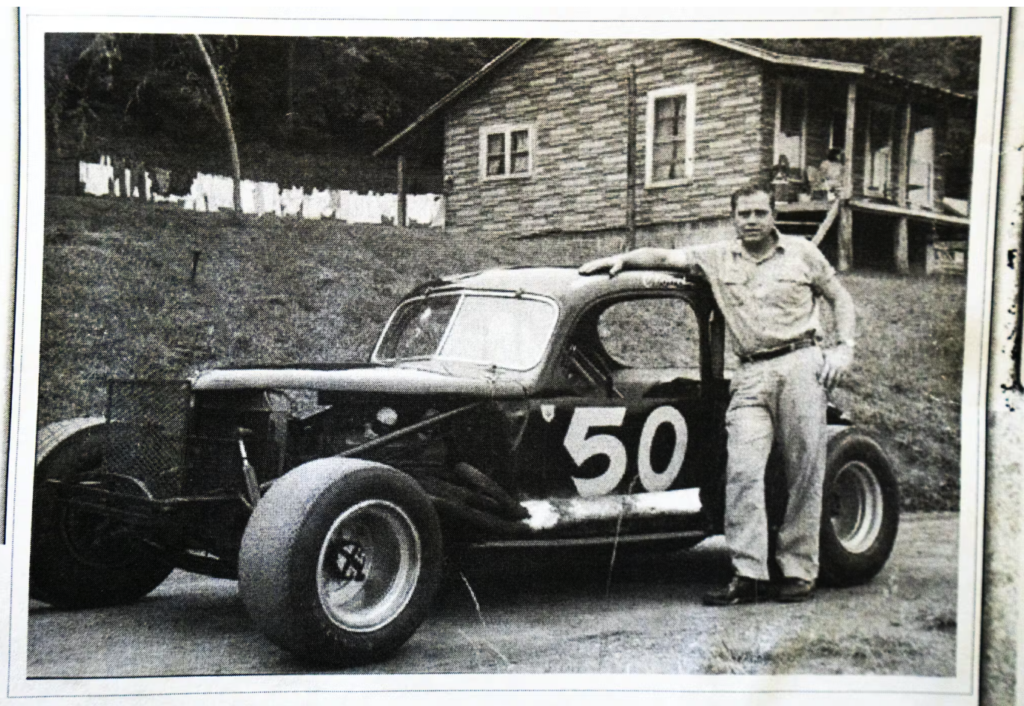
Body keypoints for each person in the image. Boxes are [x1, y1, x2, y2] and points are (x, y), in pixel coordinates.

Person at [579, 183, 856, 605]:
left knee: (804, 469)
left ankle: (799, 570)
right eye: (743, 213)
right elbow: (668, 256)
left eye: (759, 213)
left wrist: (844, 349)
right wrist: (622, 259)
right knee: (742, 470)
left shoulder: (803, 253)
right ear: (733, 217)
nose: (751, 221)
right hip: (749, 372)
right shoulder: (717, 256)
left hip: (801, 364)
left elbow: (840, 298)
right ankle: (750, 573)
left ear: (773, 215)